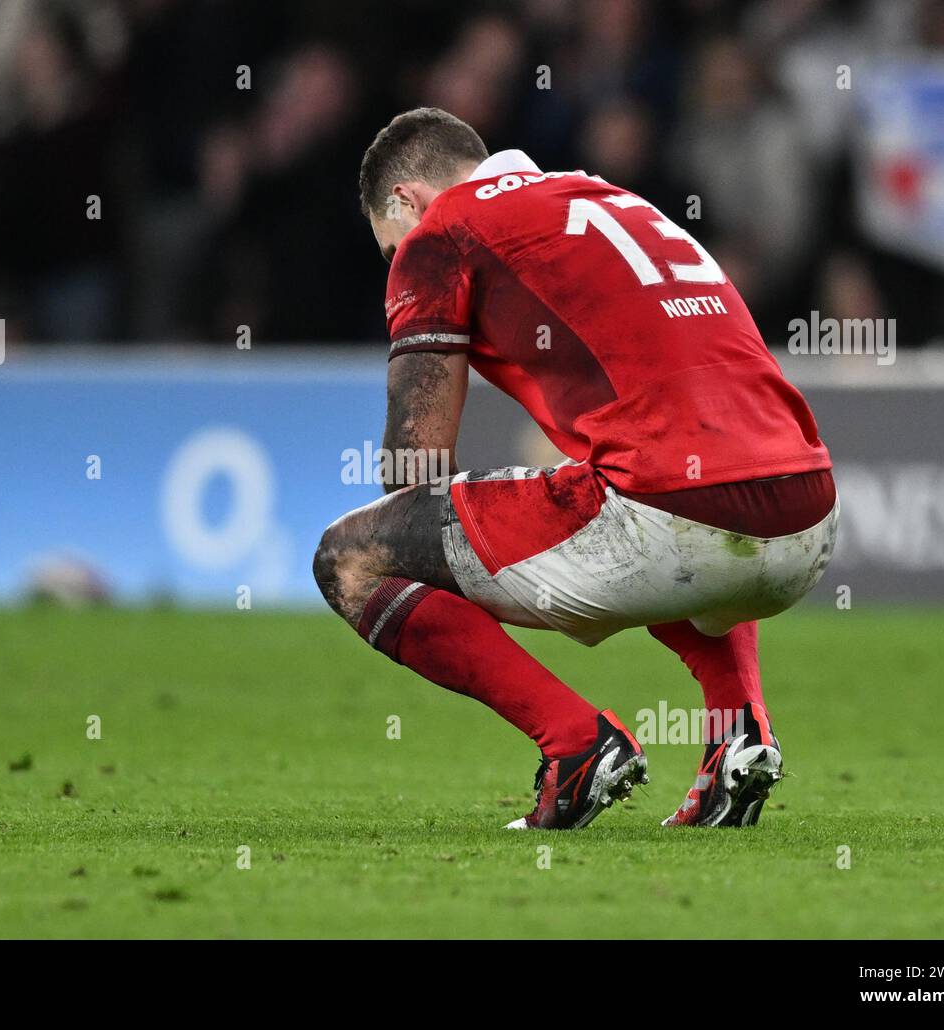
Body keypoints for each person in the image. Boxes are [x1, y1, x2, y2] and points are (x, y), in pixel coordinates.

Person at [313, 108, 837, 830]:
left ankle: (576, 744)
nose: (396, 262)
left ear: (407, 200)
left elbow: (416, 463)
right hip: (808, 511)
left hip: (673, 517)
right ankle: (739, 732)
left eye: (389, 245)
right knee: (659, 478)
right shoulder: (604, 197)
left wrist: (448, 554)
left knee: (349, 559)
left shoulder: (439, 235)